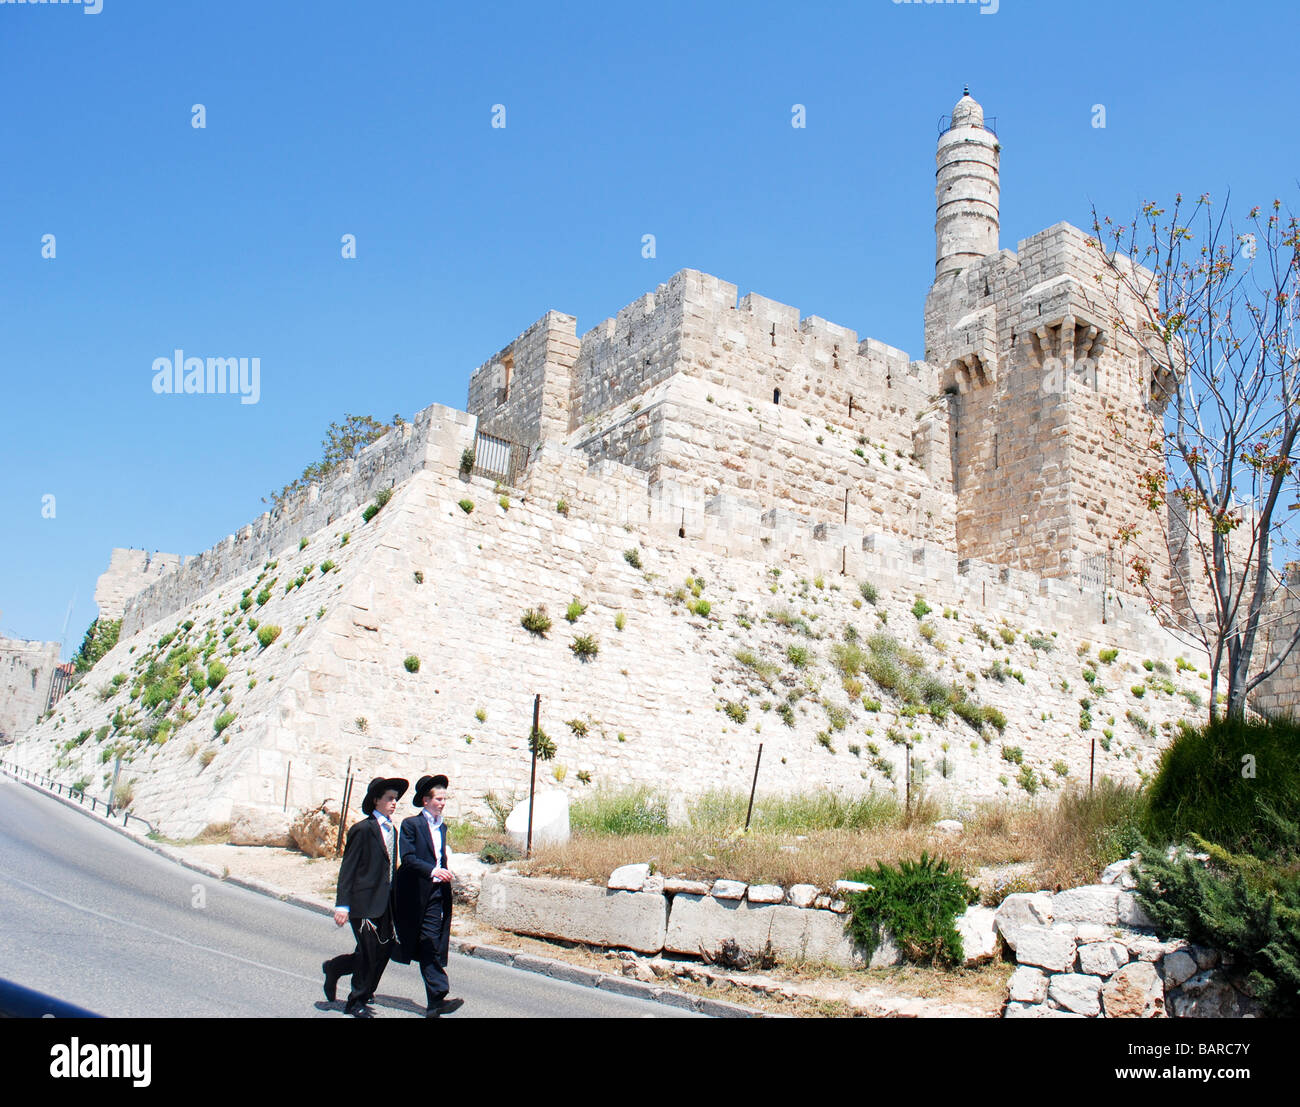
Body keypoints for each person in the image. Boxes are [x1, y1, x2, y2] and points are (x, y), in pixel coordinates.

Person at [322, 775, 407, 1017]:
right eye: (389, 798)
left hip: (386, 903)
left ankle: (335, 967)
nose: (394, 803)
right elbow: (348, 868)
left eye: (396, 799)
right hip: (363, 902)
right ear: (376, 801)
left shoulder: (393, 830)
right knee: (369, 952)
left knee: (384, 949)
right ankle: (355, 1001)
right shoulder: (362, 829)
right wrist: (342, 905)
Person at [395, 774, 463, 1017]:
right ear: (426, 801)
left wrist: (444, 871)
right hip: (414, 894)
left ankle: (436, 998)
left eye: (445, 799)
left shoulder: (441, 827)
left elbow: (438, 857)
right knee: (403, 943)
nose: (442, 803)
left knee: (430, 941)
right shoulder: (411, 825)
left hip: (435, 893)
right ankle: (362, 981)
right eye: (438, 799)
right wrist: (433, 870)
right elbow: (409, 858)